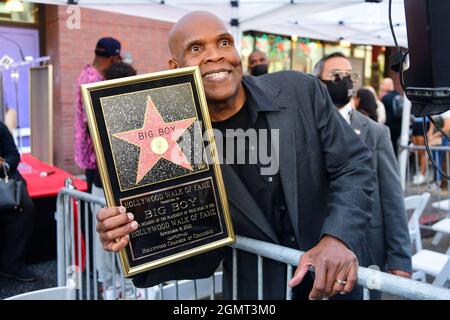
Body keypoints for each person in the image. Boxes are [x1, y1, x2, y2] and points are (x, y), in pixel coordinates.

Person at [96, 11, 377, 300]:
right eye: (196, 48)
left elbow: (354, 165)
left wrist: (338, 236)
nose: (215, 56)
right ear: (174, 67)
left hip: (339, 285)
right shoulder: (171, 145)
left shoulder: (300, 91)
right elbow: (196, 251)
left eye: (224, 42)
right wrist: (132, 238)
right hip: (258, 293)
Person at [314, 53, 412, 299]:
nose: (344, 80)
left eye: (350, 75)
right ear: (318, 82)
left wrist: (400, 258)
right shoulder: (306, 130)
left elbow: (392, 197)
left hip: (365, 250)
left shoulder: (376, 132)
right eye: (336, 76)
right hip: (315, 250)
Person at [74, 37, 122, 193]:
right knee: (97, 199)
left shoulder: (85, 72)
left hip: (88, 151)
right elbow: (93, 123)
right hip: (96, 154)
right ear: (113, 58)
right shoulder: (95, 81)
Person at [0, 121, 37, 282]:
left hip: (4, 182)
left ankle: (12, 264)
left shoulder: (0, 127)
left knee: (25, 207)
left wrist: (3, 165)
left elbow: (13, 155)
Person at [380, 77, 403, 155]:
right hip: (399, 126)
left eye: (383, 84)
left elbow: (381, 113)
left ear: (389, 85)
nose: (380, 86)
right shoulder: (398, 95)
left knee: (389, 148)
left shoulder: (386, 98)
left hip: (389, 126)